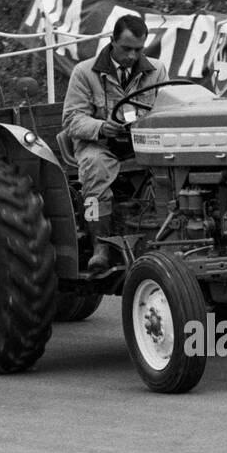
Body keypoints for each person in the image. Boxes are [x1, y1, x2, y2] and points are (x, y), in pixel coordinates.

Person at [61, 15, 165, 273]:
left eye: (139, 50)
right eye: (126, 48)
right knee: (95, 170)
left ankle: (162, 235)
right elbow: (72, 120)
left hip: (142, 144)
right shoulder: (85, 72)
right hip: (99, 145)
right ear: (112, 42)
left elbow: (166, 107)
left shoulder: (157, 70)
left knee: (172, 170)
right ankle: (100, 246)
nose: (132, 55)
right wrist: (101, 127)